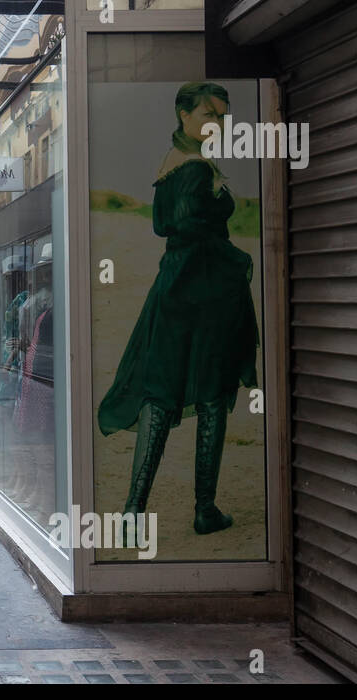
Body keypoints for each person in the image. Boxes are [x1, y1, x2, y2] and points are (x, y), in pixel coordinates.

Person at [97, 82, 259, 540]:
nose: (218, 123)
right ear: (183, 114)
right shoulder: (192, 169)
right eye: (209, 114)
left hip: (173, 290)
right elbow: (187, 226)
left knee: (160, 392)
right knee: (210, 396)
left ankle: (132, 511)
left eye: (223, 116)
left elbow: (162, 225)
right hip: (204, 292)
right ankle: (203, 509)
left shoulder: (172, 165)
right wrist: (236, 259)